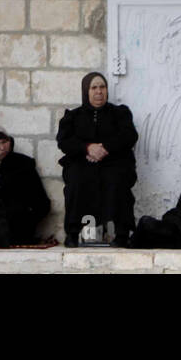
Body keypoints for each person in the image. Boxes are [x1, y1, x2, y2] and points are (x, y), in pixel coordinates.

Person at [56, 71, 138, 247]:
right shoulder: (73, 116)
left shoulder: (120, 113)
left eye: (102, 87)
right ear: (86, 91)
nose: (99, 91)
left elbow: (129, 135)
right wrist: (87, 148)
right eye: (94, 88)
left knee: (117, 179)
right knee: (76, 181)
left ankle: (122, 233)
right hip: (82, 162)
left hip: (113, 162)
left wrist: (105, 148)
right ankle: (72, 232)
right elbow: (64, 141)